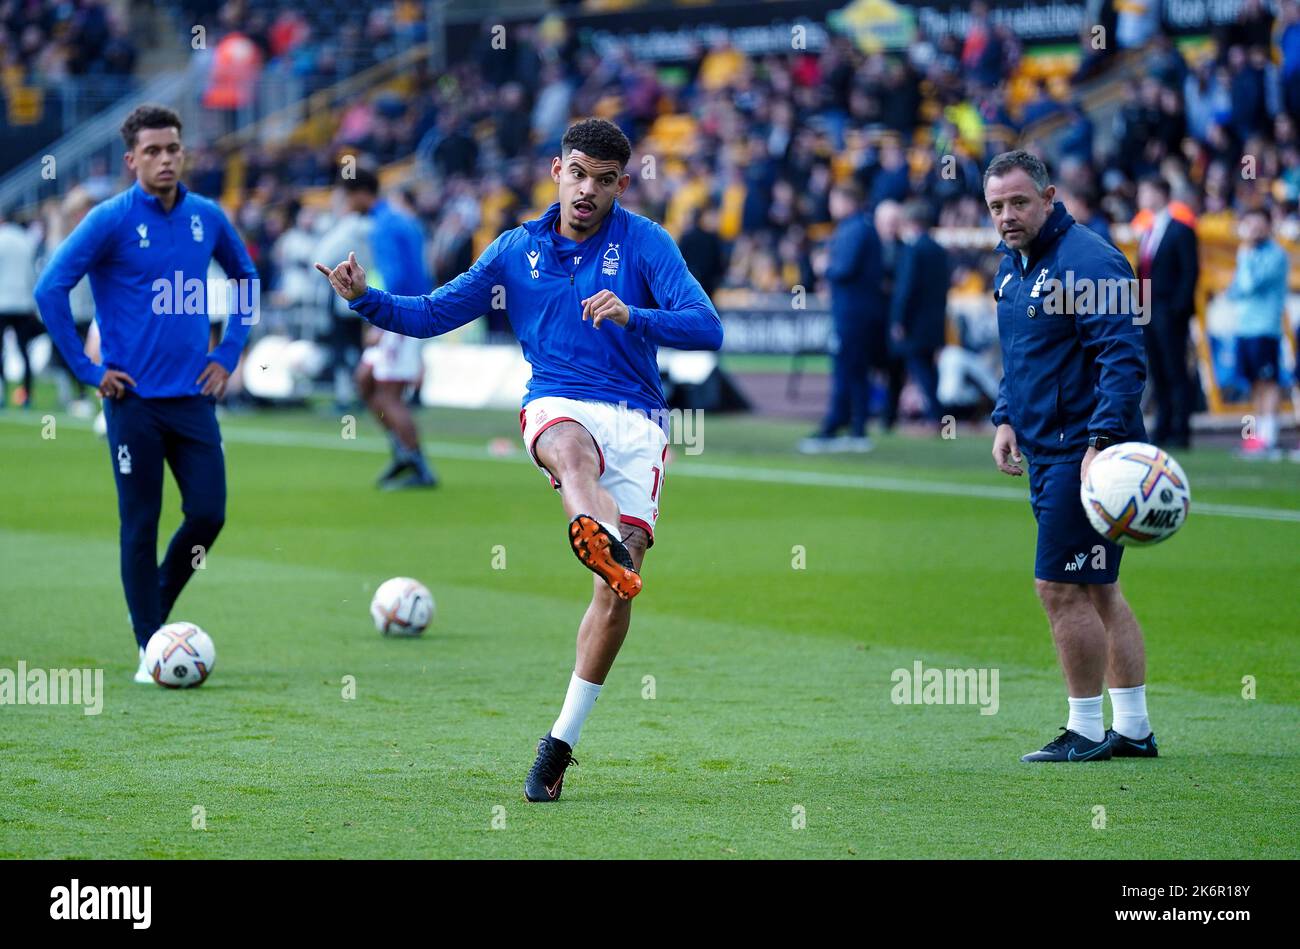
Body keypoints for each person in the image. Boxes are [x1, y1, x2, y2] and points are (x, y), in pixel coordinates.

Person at [316, 118, 723, 802]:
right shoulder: (514, 250)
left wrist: (635, 314)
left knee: (613, 594)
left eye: (603, 179)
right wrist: (364, 300)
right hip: (558, 401)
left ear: (621, 184)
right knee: (569, 450)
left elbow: (707, 325)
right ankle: (599, 540)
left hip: (640, 423)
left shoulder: (647, 242)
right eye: (577, 173)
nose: (587, 189)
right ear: (556, 170)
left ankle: (561, 739)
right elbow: (432, 312)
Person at [34, 104, 258, 682]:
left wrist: (227, 353)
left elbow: (247, 278)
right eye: (153, 151)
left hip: (192, 399)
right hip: (131, 402)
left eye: (173, 149)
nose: (165, 159)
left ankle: (155, 613)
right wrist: (87, 370)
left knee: (209, 513)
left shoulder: (206, 216)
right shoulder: (109, 219)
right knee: (140, 522)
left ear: (183, 153)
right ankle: (146, 646)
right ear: (132, 159)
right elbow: (50, 290)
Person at [984, 149, 1157, 763]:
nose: (1007, 215)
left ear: (1049, 197)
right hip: (1047, 448)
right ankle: (1133, 730)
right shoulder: (1012, 269)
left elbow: (1124, 358)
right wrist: (1006, 416)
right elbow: (1022, 358)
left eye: (1019, 202)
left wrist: (1101, 442)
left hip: (1082, 454)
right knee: (1098, 589)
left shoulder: (1089, 261)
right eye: (997, 206)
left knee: (1058, 588)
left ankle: (1085, 730)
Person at [338, 167, 439, 488]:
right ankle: (402, 454)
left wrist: (380, 322)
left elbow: (395, 276)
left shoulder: (384, 226)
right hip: (410, 308)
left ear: (360, 194)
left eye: (346, 196)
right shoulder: (400, 219)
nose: (344, 203)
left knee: (388, 392)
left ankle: (418, 466)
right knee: (364, 381)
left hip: (401, 315)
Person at [799, 182, 883, 453]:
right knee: (856, 371)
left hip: (851, 313)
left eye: (835, 200)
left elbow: (844, 269)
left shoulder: (854, 229)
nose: (831, 206)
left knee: (846, 369)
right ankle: (856, 428)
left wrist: (825, 267)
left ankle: (837, 425)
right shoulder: (864, 227)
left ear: (848, 201)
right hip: (860, 310)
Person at [1135, 175, 1199, 449]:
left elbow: (1190, 272)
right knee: (1158, 371)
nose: (1141, 198)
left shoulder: (1180, 229)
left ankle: (1181, 430)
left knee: (1175, 370)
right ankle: (1162, 427)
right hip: (1149, 310)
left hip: (1169, 311)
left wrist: (1177, 309)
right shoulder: (1149, 230)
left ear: (1160, 194)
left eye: (1145, 192)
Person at [1225, 207, 1289, 457]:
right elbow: (1235, 291)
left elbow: (1250, 284)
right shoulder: (1248, 253)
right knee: (1255, 384)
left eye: (1258, 224)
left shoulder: (1276, 255)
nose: (1253, 229)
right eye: (1250, 224)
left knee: (1268, 382)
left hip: (1265, 327)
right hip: (1245, 327)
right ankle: (1258, 435)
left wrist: (1246, 254)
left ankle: (1269, 437)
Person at [889, 201, 951, 425]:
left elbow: (906, 288)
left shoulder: (913, 250)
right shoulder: (939, 250)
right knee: (929, 369)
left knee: (920, 368)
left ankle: (936, 415)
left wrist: (898, 320)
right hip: (934, 321)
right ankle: (938, 414)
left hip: (915, 323)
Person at [0, 207, 40, 408]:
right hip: (23, 303)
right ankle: (27, 395)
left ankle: (2, 394)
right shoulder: (26, 240)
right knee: (24, 351)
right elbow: (32, 273)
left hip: (2, 302)